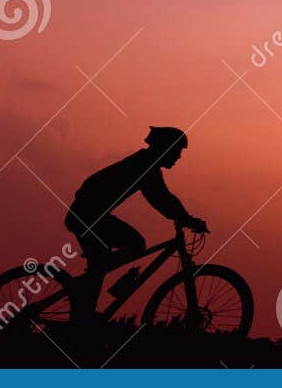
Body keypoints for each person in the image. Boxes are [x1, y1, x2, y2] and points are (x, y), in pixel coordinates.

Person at [64, 127, 206, 317]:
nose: (178, 156)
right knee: (135, 244)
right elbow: (162, 199)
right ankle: (85, 296)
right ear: (166, 148)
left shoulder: (145, 163)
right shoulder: (146, 166)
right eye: (177, 151)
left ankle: (84, 307)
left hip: (88, 215)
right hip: (88, 217)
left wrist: (183, 217)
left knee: (102, 262)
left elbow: (163, 199)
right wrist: (187, 219)